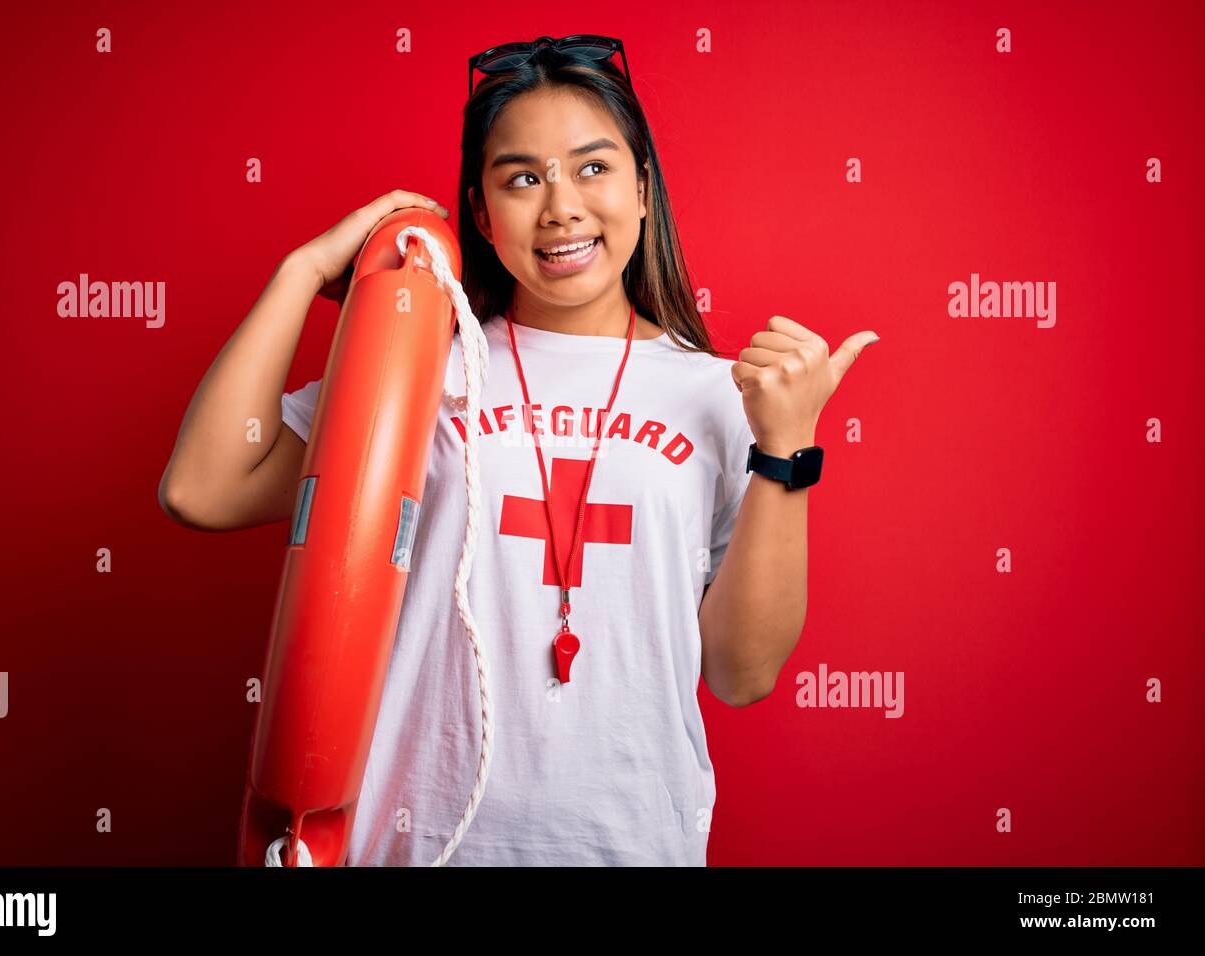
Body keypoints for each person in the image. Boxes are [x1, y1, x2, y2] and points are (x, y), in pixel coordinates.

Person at [159, 35, 877, 866]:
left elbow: (741, 674)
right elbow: (202, 489)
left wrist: (786, 447)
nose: (562, 207)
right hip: (418, 845)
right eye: (524, 178)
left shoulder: (722, 397)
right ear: (480, 212)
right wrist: (305, 270)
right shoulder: (420, 367)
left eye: (594, 168)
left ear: (643, 191)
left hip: (632, 843)